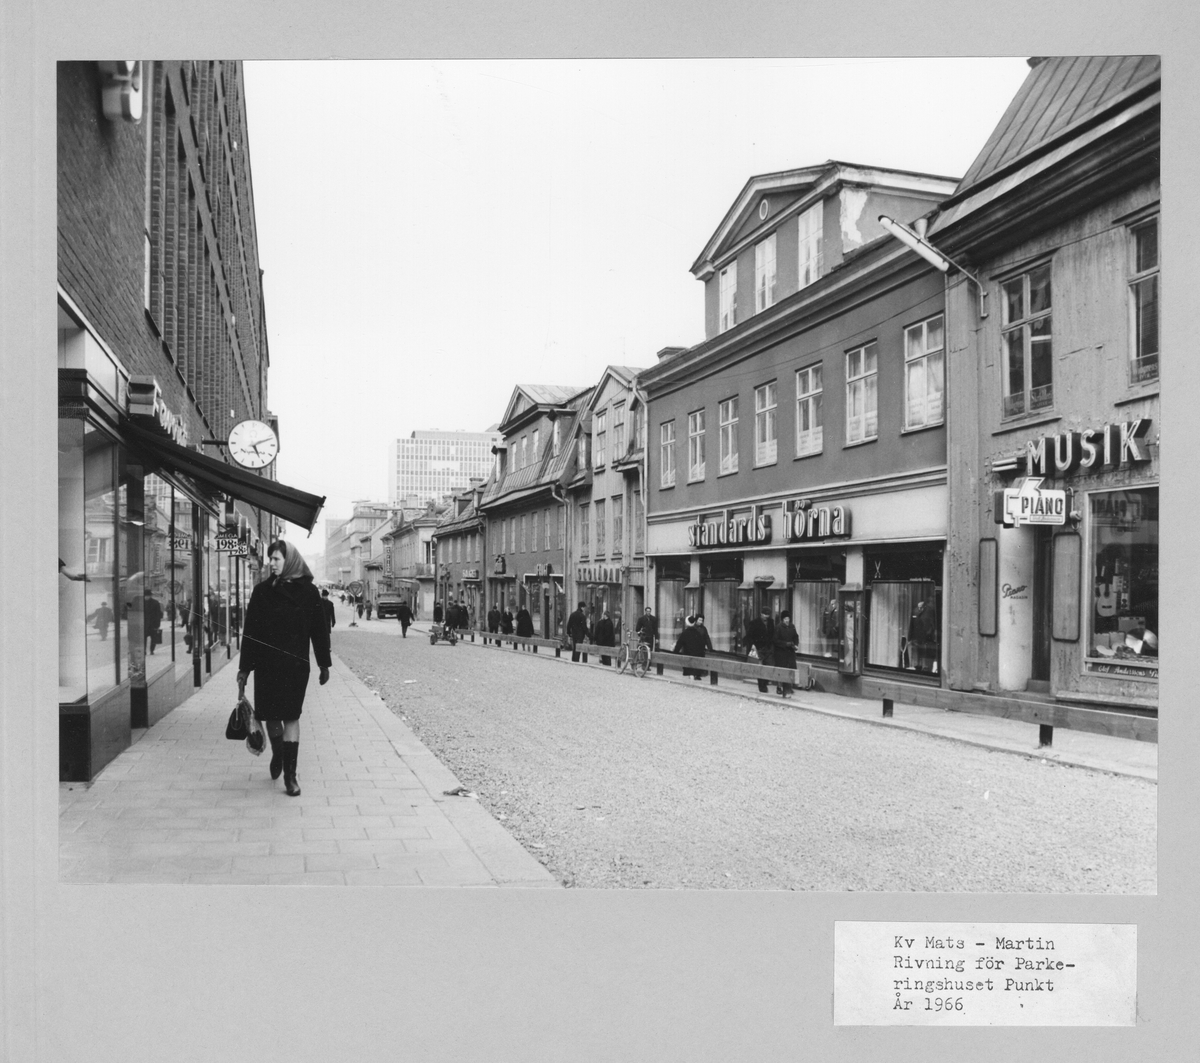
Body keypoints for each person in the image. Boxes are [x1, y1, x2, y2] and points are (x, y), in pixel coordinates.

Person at [237, 540, 331, 797]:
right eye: (271, 559)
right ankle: (278, 752)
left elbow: (319, 631)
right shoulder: (262, 591)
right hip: (266, 665)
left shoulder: (309, 592)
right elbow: (251, 632)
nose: (272, 564)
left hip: (295, 667)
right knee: (271, 716)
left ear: (289, 561)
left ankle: (290, 776)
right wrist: (244, 669)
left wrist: (324, 663)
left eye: (276, 559)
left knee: (291, 716)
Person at [745, 606, 775, 693]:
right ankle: (762, 686)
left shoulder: (771, 622)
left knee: (770, 666)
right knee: (760, 667)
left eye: (768, 614)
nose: (766, 616)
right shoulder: (754, 623)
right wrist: (753, 645)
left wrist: (771, 646)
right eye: (765, 614)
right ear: (761, 614)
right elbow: (749, 636)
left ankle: (765, 682)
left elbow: (773, 634)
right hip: (759, 648)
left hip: (768, 648)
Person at [773, 610, 800, 696]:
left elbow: (796, 636)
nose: (787, 620)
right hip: (781, 653)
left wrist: (796, 644)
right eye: (785, 619)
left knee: (790, 669)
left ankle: (789, 687)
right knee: (781, 670)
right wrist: (785, 644)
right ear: (782, 619)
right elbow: (775, 640)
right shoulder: (778, 627)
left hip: (790, 652)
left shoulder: (792, 626)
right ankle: (779, 687)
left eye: (788, 618)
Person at [673, 614, 708, 680]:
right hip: (697, 656)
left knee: (690, 671)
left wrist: (675, 653)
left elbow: (679, 644)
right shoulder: (697, 633)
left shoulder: (685, 633)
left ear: (687, 623)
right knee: (693, 671)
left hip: (688, 655)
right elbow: (702, 644)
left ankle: (691, 681)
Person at [908, 598, 938, 674]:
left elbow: (933, 624)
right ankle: (918, 667)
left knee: (927, 654)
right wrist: (910, 638)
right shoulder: (914, 611)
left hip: (927, 637)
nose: (920, 606)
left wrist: (931, 632)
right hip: (917, 637)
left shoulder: (930, 611)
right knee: (917, 654)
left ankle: (927, 669)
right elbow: (911, 625)